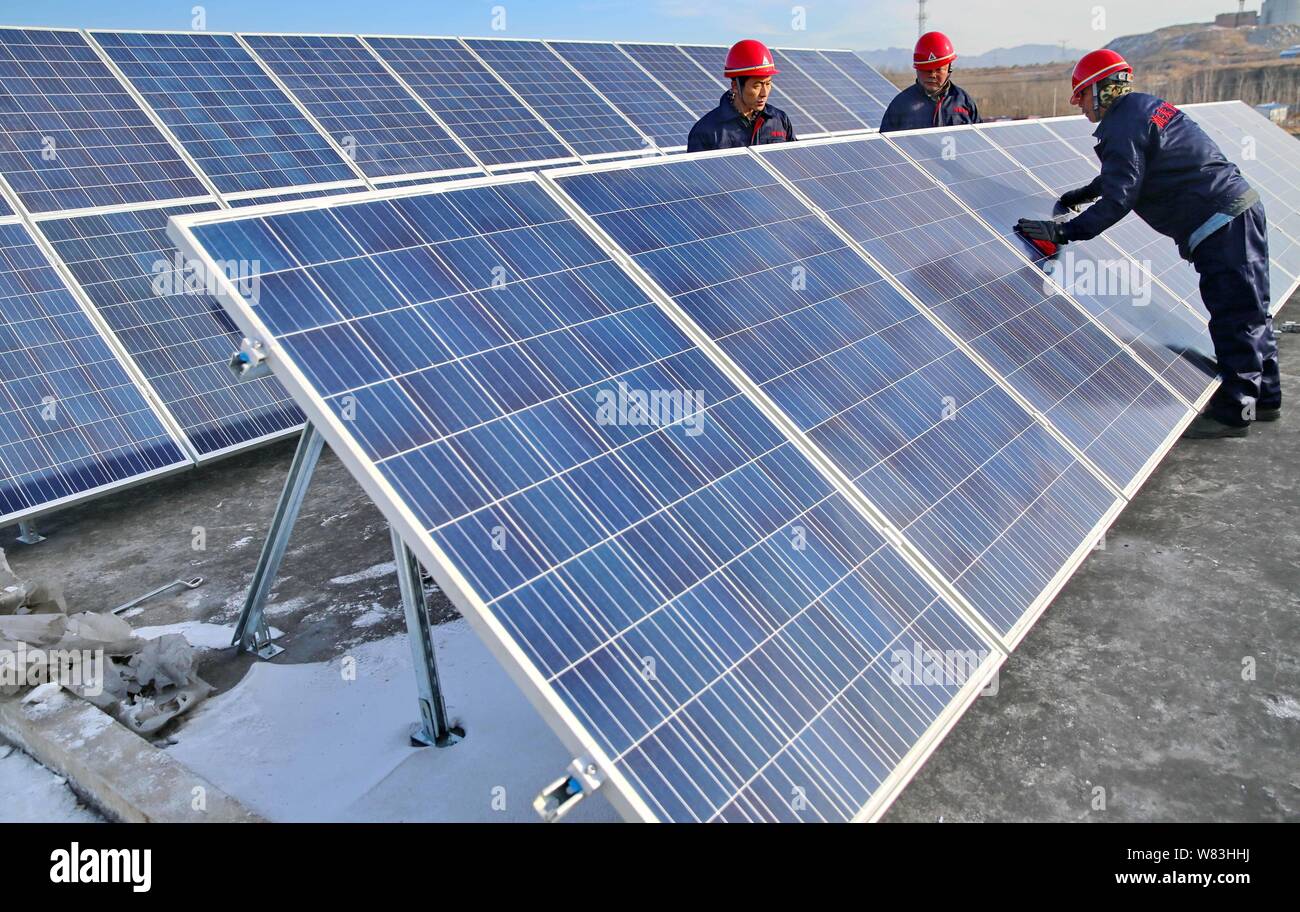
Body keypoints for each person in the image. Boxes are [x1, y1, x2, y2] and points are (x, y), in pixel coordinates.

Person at [1016, 50, 1280, 439]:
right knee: (1252, 308)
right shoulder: (1144, 108)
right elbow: (1136, 169)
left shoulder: (1121, 124)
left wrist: (1065, 232)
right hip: (1237, 211)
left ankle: (1235, 411)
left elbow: (1121, 196)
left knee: (1233, 314)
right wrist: (1087, 192)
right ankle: (1268, 398)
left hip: (1220, 224)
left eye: (1082, 96)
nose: (1080, 107)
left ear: (1101, 88)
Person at [686, 39, 797, 152]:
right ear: (735, 86)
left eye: (768, 84)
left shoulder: (780, 120)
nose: (764, 93)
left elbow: (794, 162)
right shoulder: (705, 131)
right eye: (757, 86)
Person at [879, 31, 981, 132]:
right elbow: (884, 145)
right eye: (926, 70)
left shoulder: (964, 101)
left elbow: (981, 142)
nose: (932, 75)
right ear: (917, 70)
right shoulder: (900, 105)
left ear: (949, 68)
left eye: (938, 69)